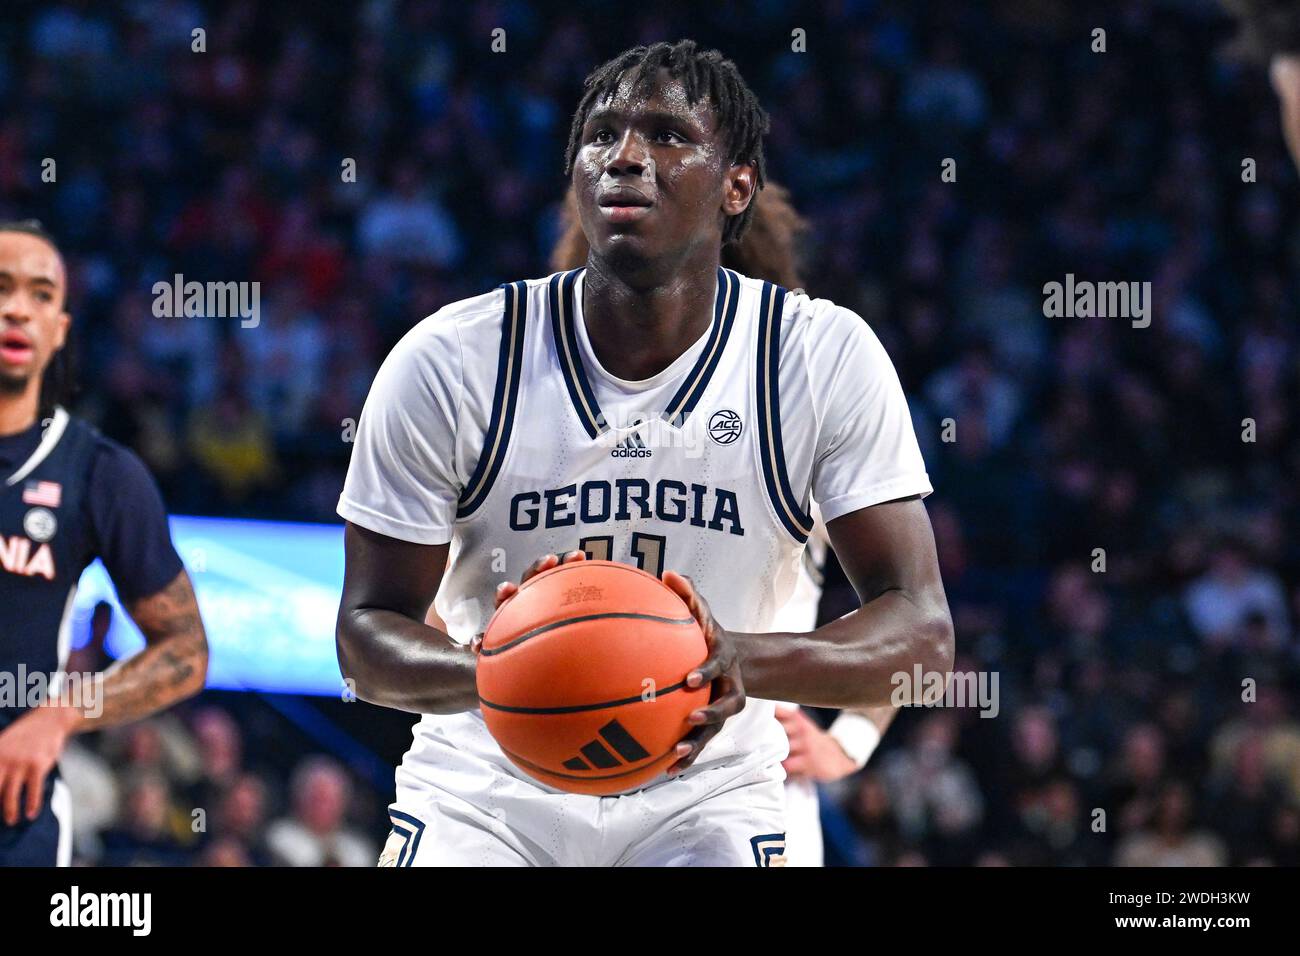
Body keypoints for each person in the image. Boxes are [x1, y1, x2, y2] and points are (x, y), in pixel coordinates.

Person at [337, 40, 952, 867]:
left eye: (667, 135)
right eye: (602, 135)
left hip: (707, 789)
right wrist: (502, 671)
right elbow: (366, 635)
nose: (626, 156)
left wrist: (739, 663)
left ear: (738, 185)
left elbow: (922, 633)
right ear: (575, 178)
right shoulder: (450, 360)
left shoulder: (818, 358)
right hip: (486, 791)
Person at [552, 180, 898, 867]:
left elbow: (906, 609)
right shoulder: (548, 408)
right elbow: (447, 600)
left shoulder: (789, 408)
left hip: (740, 774)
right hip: (565, 758)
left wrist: (847, 742)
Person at [0, 219, 209, 866]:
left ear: (60, 329)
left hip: (12, 815)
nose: (17, 308)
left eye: (40, 294)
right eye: (1, 287)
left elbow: (186, 651)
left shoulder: (98, 472)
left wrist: (60, 714)